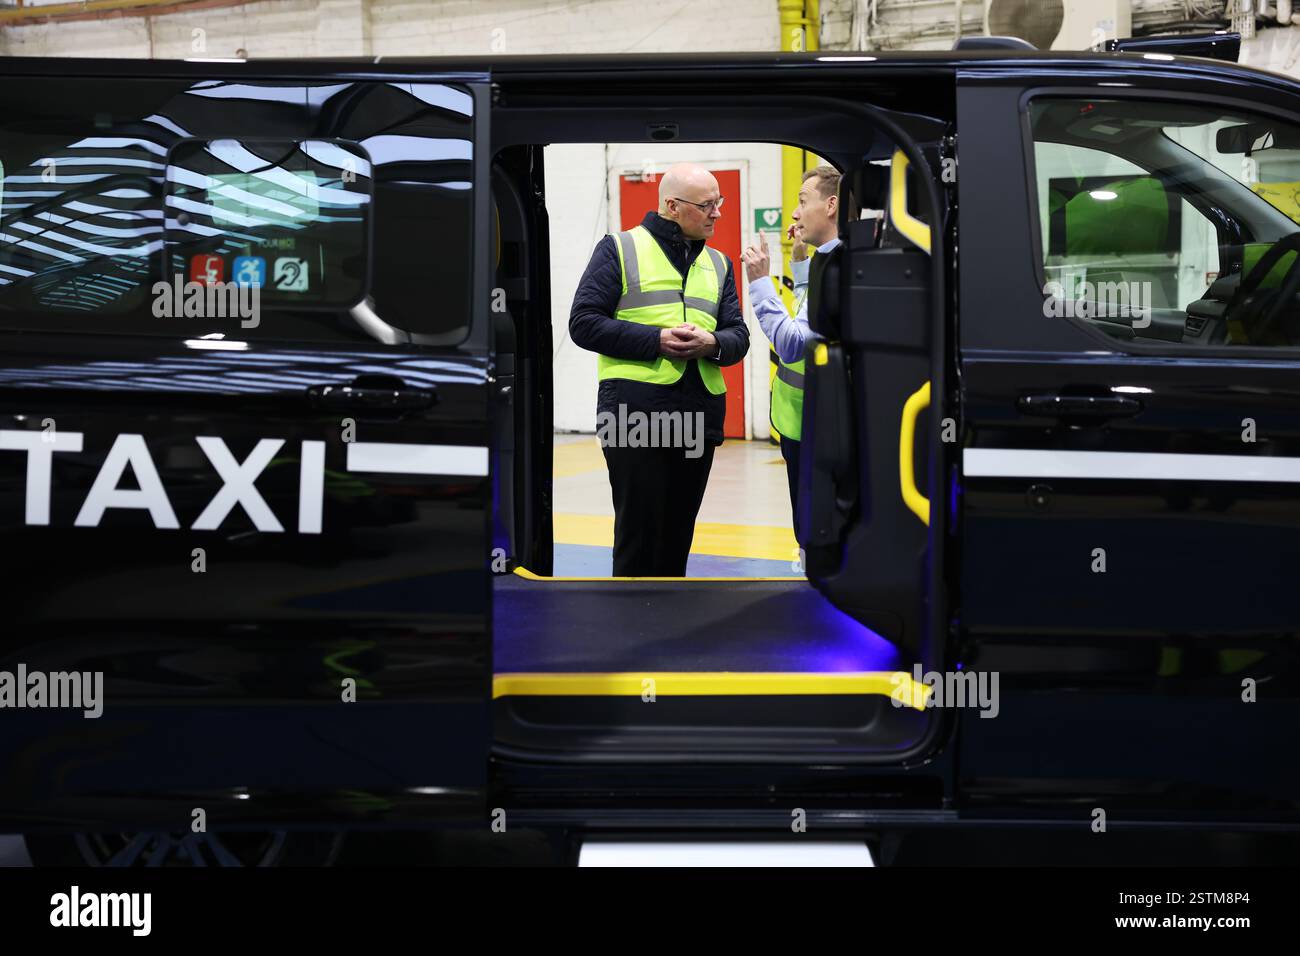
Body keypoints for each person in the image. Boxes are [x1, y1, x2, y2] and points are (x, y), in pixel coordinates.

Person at [569, 163, 749, 576]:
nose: (717, 213)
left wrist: (713, 343)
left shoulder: (719, 264)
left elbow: (738, 335)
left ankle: (669, 625)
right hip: (635, 415)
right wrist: (657, 340)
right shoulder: (619, 248)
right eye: (707, 205)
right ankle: (631, 627)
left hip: (698, 414)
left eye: (718, 203)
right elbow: (583, 323)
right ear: (672, 205)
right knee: (638, 535)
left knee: (676, 534)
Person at [741, 164, 841, 537]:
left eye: (803, 201)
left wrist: (760, 282)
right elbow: (811, 315)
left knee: (813, 530)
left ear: (831, 205)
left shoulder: (838, 267)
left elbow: (792, 342)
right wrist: (800, 264)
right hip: (803, 421)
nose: (795, 213)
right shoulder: (827, 264)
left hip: (817, 426)